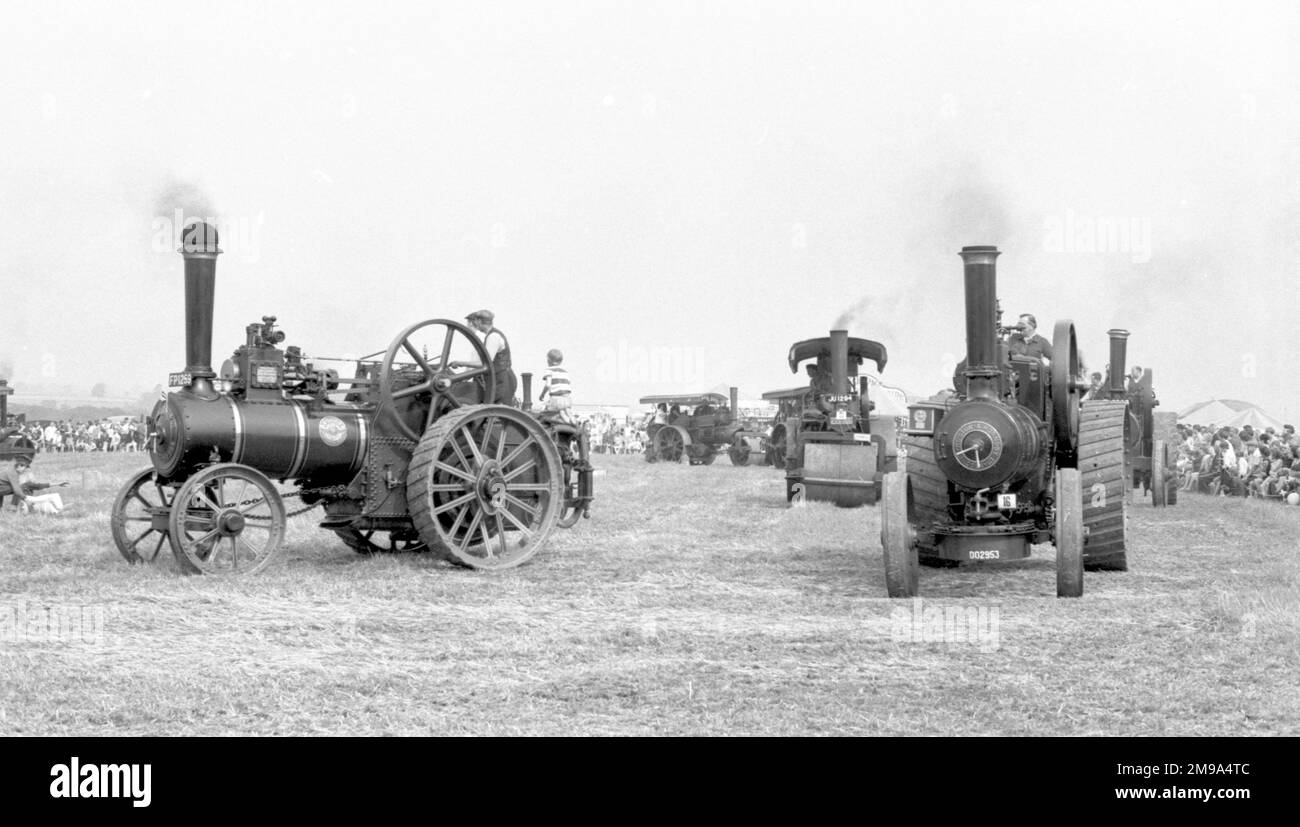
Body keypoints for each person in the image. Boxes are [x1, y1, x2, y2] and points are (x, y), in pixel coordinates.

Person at [465, 309, 517, 406]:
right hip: (497, 379)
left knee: (499, 413)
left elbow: (485, 363)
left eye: (475, 321)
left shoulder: (493, 337)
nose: (475, 324)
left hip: (502, 380)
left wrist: (460, 363)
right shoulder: (490, 335)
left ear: (479, 321)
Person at [0, 455, 67, 514]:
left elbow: (38, 486)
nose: (25, 470)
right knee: (18, 489)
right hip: (27, 502)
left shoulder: (25, 482)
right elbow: (16, 490)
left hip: (29, 502)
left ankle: (10, 508)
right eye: (24, 468)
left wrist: (57, 484)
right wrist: (26, 499)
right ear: (18, 466)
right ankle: (12, 508)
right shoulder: (12, 474)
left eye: (26, 469)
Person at [538, 349, 573, 423]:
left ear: (548, 360)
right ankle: (573, 423)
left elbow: (547, 385)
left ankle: (566, 423)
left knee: (544, 415)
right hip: (567, 399)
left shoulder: (549, 370)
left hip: (556, 399)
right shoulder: (565, 372)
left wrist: (542, 395)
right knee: (566, 412)